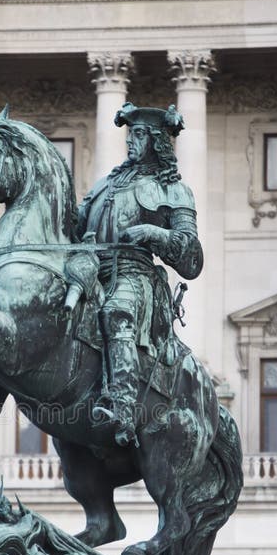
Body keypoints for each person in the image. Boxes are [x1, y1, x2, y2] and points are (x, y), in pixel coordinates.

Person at [77, 102, 204, 445]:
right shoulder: (105, 185)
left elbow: (192, 256)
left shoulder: (173, 190)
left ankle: (122, 405)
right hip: (88, 270)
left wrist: (153, 234)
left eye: (137, 135)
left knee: (116, 311)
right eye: (129, 135)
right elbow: (74, 225)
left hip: (135, 277)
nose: (130, 142)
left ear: (156, 141)